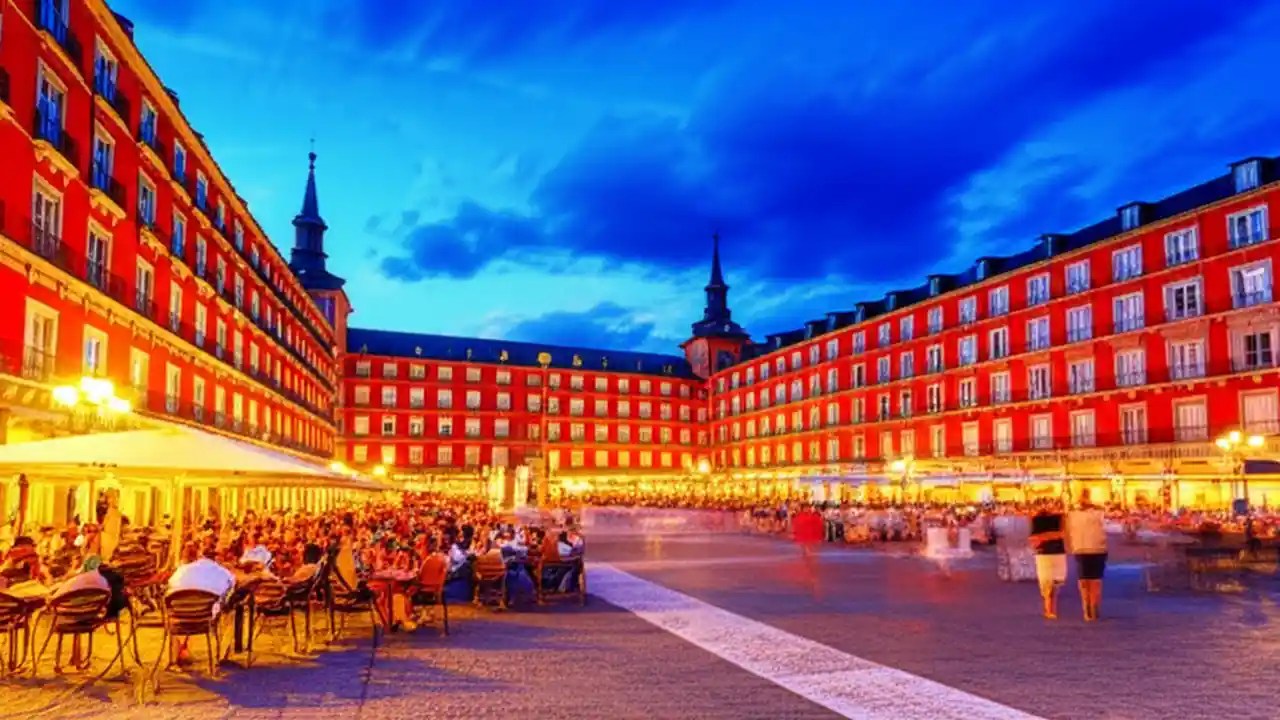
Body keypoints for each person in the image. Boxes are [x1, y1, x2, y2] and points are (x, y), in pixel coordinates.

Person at [1065, 501, 1108, 622]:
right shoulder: (1100, 514)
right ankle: (1094, 606)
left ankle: (1086, 606)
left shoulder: (1073, 516)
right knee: (1095, 581)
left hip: (1081, 549)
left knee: (1084, 581)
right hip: (1098, 549)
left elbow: (1068, 531)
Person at [1029, 501, 1067, 620]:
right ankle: (1050, 608)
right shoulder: (1057, 518)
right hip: (1052, 553)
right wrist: (1053, 535)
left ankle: (1049, 608)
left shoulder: (1037, 520)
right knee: (1051, 583)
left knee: (1051, 582)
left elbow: (1034, 540)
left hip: (1046, 553)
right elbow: (1063, 534)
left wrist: (1045, 537)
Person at [792, 504, 824, 599]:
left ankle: (812, 575)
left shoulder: (814, 516)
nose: (807, 509)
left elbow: (819, 526)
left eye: (808, 508)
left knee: (812, 556)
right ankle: (810, 574)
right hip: (804, 538)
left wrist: (820, 538)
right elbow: (796, 526)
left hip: (812, 538)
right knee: (806, 555)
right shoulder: (800, 517)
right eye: (805, 508)